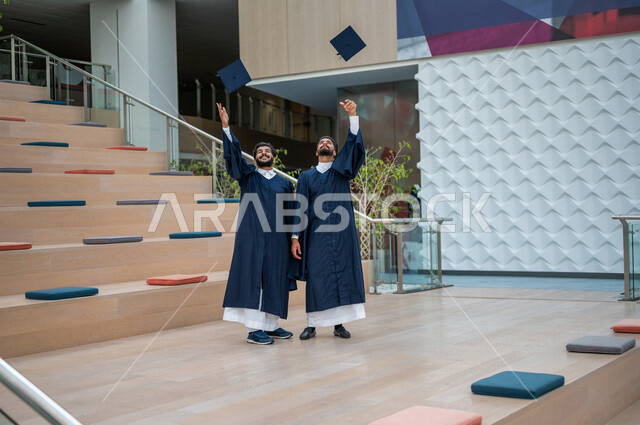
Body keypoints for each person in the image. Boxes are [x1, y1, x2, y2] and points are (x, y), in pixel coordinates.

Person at [217, 102, 297, 345]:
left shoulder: (285, 184)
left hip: (278, 239)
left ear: (273, 157)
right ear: (255, 157)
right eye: (259, 151)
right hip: (252, 237)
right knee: (255, 279)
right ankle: (254, 330)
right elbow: (233, 160)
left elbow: (292, 212)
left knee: (275, 278)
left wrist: (294, 238)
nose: (263, 153)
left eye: (267, 151)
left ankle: (271, 326)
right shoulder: (248, 176)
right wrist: (226, 127)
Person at [290, 99, 366, 340]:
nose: (325, 144)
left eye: (329, 143)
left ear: (334, 152)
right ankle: (311, 324)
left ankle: (339, 325)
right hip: (316, 235)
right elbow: (299, 207)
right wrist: (294, 237)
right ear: (316, 151)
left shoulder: (341, 170)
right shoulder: (306, 177)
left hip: (342, 233)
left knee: (342, 273)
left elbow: (354, 147)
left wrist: (353, 116)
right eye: (321, 143)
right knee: (317, 276)